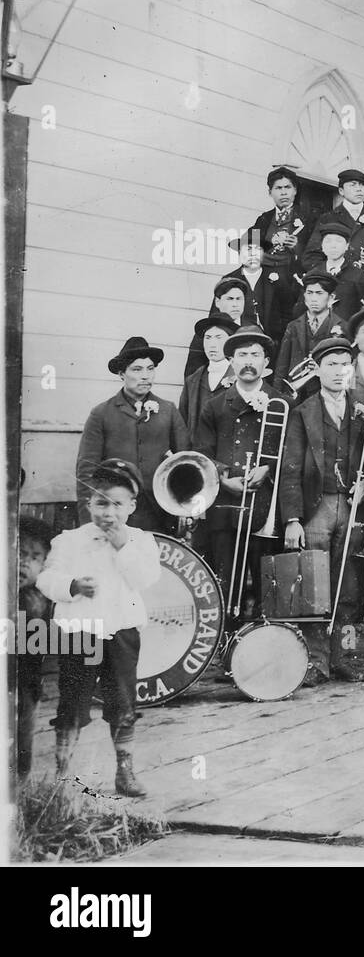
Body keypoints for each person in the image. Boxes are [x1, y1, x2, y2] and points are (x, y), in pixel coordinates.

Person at [38, 459, 161, 797]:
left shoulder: (140, 540)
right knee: (73, 699)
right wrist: (72, 585)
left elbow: (145, 579)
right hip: (79, 633)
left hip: (121, 631)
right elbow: (47, 578)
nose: (109, 512)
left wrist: (123, 548)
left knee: (122, 700)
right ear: (88, 503)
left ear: (132, 507)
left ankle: (125, 771)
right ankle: (64, 774)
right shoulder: (70, 540)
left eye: (118, 504)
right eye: (101, 502)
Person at [280, 338, 364, 685]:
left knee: (348, 585)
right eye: (331, 364)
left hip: (350, 504)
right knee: (314, 584)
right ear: (317, 369)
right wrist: (292, 519)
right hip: (315, 507)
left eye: (344, 364)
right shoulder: (302, 411)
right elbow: (290, 467)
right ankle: (315, 661)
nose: (338, 371)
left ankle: (342, 657)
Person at [193, 325, 292, 622]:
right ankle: (227, 642)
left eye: (255, 354)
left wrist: (269, 468)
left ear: (265, 363)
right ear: (232, 362)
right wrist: (223, 478)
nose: (248, 361)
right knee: (228, 581)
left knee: (267, 584)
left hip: (266, 506)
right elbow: (203, 452)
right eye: (241, 355)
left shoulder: (283, 402)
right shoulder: (214, 407)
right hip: (227, 507)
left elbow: (293, 450)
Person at [77, 336, 189, 535]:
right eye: (137, 369)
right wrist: (91, 524)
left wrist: (184, 510)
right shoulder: (101, 413)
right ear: (122, 374)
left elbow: (186, 462)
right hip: (116, 516)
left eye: (150, 368)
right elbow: (87, 473)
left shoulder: (168, 410)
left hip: (161, 516)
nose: (146, 376)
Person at [13, 516, 54, 782]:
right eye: (20, 553)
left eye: (35, 556)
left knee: (23, 726)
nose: (25, 561)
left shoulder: (38, 597)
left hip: (24, 682)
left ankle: (21, 779)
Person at [275, 271, 347, 392]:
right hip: (297, 396)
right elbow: (281, 368)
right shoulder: (293, 327)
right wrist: (278, 395)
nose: (314, 298)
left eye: (319, 293)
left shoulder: (343, 327)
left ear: (331, 297)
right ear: (304, 296)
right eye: (309, 293)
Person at [302, 168, 364, 272]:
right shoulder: (327, 219)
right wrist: (328, 274)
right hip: (338, 281)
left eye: (362, 185)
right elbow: (311, 257)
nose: (359, 189)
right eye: (353, 185)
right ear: (341, 191)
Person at [223, 237, 296, 346]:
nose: (253, 254)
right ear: (239, 253)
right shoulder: (229, 280)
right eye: (248, 249)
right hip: (238, 341)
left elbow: (288, 313)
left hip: (271, 343)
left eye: (258, 249)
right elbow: (219, 316)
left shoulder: (277, 279)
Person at [182, 276, 256, 377]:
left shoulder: (252, 330)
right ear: (217, 302)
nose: (235, 304)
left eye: (239, 299)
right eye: (230, 299)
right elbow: (192, 374)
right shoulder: (206, 332)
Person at [249, 165, 315, 273]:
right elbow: (249, 248)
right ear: (270, 192)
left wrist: (297, 247)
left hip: (293, 278)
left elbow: (317, 254)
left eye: (288, 187)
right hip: (264, 277)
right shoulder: (263, 220)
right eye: (278, 188)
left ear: (295, 190)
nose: (283, 192)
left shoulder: (308, 219)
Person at [180, 315, 238, 428]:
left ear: (230, 341)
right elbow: (182, 422)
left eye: (218, 337)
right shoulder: (192, 381)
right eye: (208, 337)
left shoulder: (241, 377)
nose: (212, 344)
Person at [310, 220, 364, 321]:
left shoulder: (358, 275)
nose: (333, 246)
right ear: (322, 246)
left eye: (339, 241)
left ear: (347, 246)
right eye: (328, 241)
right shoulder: (314, 274)